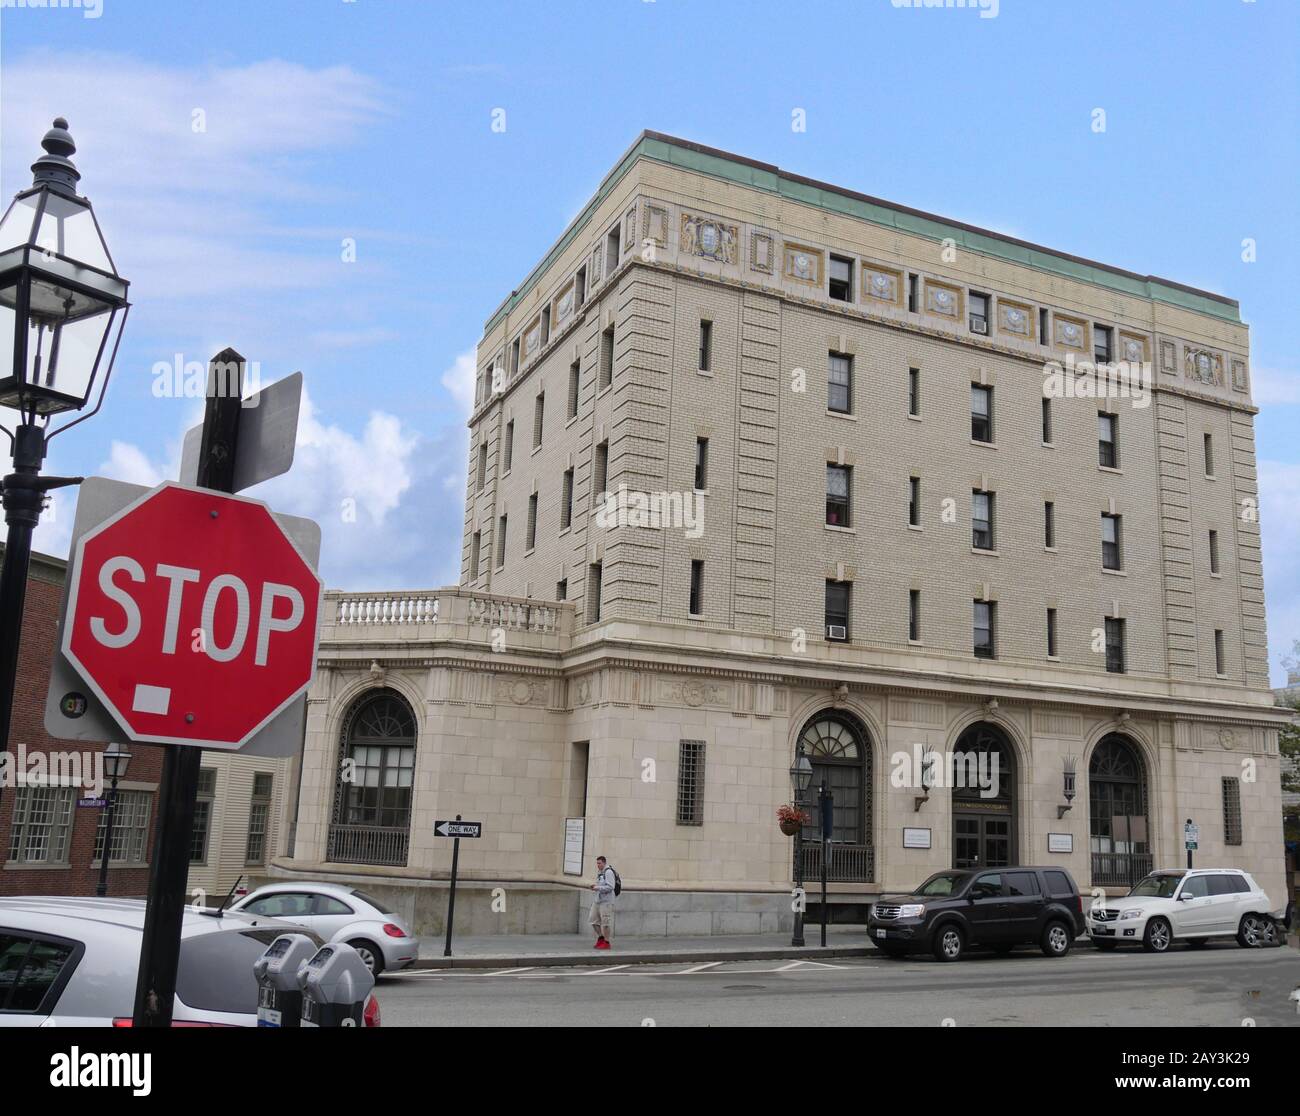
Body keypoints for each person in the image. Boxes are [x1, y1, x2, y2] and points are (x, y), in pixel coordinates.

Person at [589, 855, 616, 949]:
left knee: (605, 923)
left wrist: (598, 888)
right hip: (597, 900)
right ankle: (601, 938)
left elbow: (611, 886)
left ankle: (607, 942)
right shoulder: (600, 872)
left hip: (606, 902)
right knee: (593, 921)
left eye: (599, 863)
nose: (598, 865)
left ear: (604, 863)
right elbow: (600, 884)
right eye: (597, 863)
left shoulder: (608, 872)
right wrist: (595, 886)